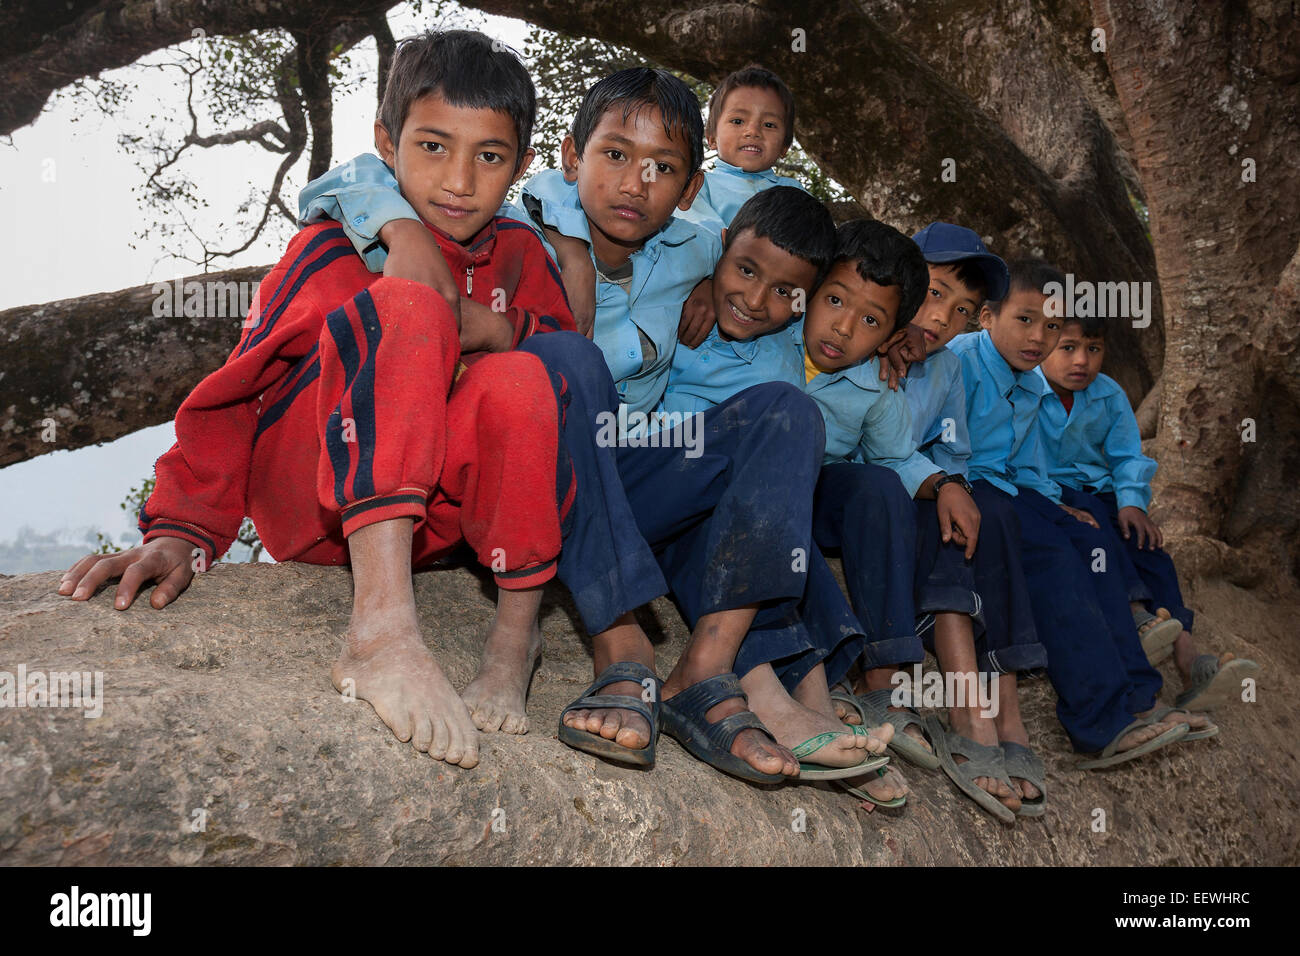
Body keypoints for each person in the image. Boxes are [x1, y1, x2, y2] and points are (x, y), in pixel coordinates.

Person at [59, 30, 579, 769]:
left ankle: (514, 639)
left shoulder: (521, 257)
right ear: (386, 143)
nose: (459, 180)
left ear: (521, 166)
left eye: (489, 157)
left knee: (526, 376)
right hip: (315, 504)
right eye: (433, 146)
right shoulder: (328, 248)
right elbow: (239, 392)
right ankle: (382, 633)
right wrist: (181, 528)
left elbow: (567, 371)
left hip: (443, 526)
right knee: (408, 308)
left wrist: (501, 329)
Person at [949, 258, 1194, 768]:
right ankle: (1099, 722)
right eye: (1026, 318)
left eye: (1053, 325)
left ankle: (1139, 700)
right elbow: (943, 448)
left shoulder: (1031, 381)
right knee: (1054, 561)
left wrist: (1058, 507)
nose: (1040, 336)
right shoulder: (961, 362)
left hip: (1017, 491)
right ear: (987, 316)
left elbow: (1027, 463)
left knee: (1095, 541)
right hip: (970, 492)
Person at [1037, 314, 1259, 714]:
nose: (1081, 361)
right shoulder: (1025, 393)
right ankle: (1137, 615)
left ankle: (1192, 662)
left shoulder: (1107, 394)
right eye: (1067, 348)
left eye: (1093, 349)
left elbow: (1126, 456)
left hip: (1100, 491)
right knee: (1094, 525)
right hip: (1050, 493)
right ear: (1041, 343)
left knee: (1147, 544)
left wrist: (1132, 502)